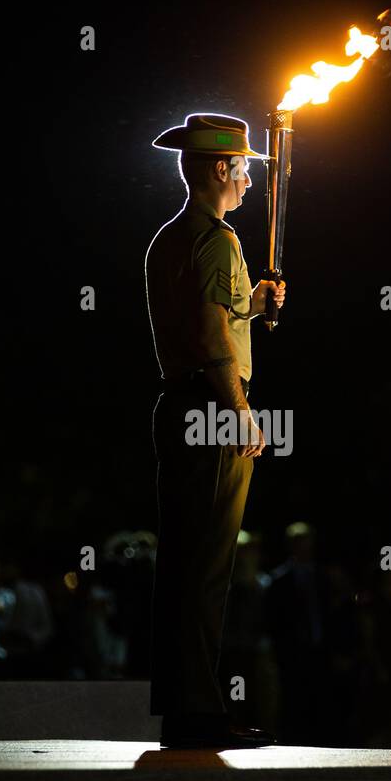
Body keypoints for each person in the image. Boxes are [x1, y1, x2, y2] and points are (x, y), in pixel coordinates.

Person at [144, 113, 286, 748]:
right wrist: (240, 411)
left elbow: (214, 315)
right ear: (220, 169)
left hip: (185, 405)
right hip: (208, 408)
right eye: (245, 165)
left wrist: (254, 304)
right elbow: (206, 338)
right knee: (205, 565)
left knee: (186, 560)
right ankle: (197, 711)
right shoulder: (214, 240)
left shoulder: (175, 238)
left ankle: (185, 705)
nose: (253, 175)